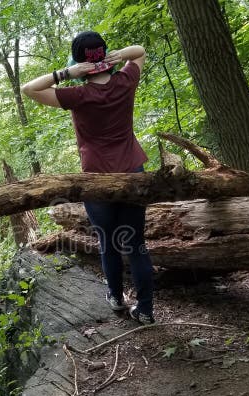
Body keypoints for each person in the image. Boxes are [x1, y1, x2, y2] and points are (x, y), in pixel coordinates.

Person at [20, 31, 155, 324]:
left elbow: (28, 89)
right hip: (133, 173)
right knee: (136, 245)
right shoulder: (125, 81)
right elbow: (140, 50)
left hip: (96, 179)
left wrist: (66, 73)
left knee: (108, 242)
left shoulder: (77, 95)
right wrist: (119, 56)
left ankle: (116, 298)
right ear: (104, 55)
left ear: (79, 62)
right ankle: (145, 310)